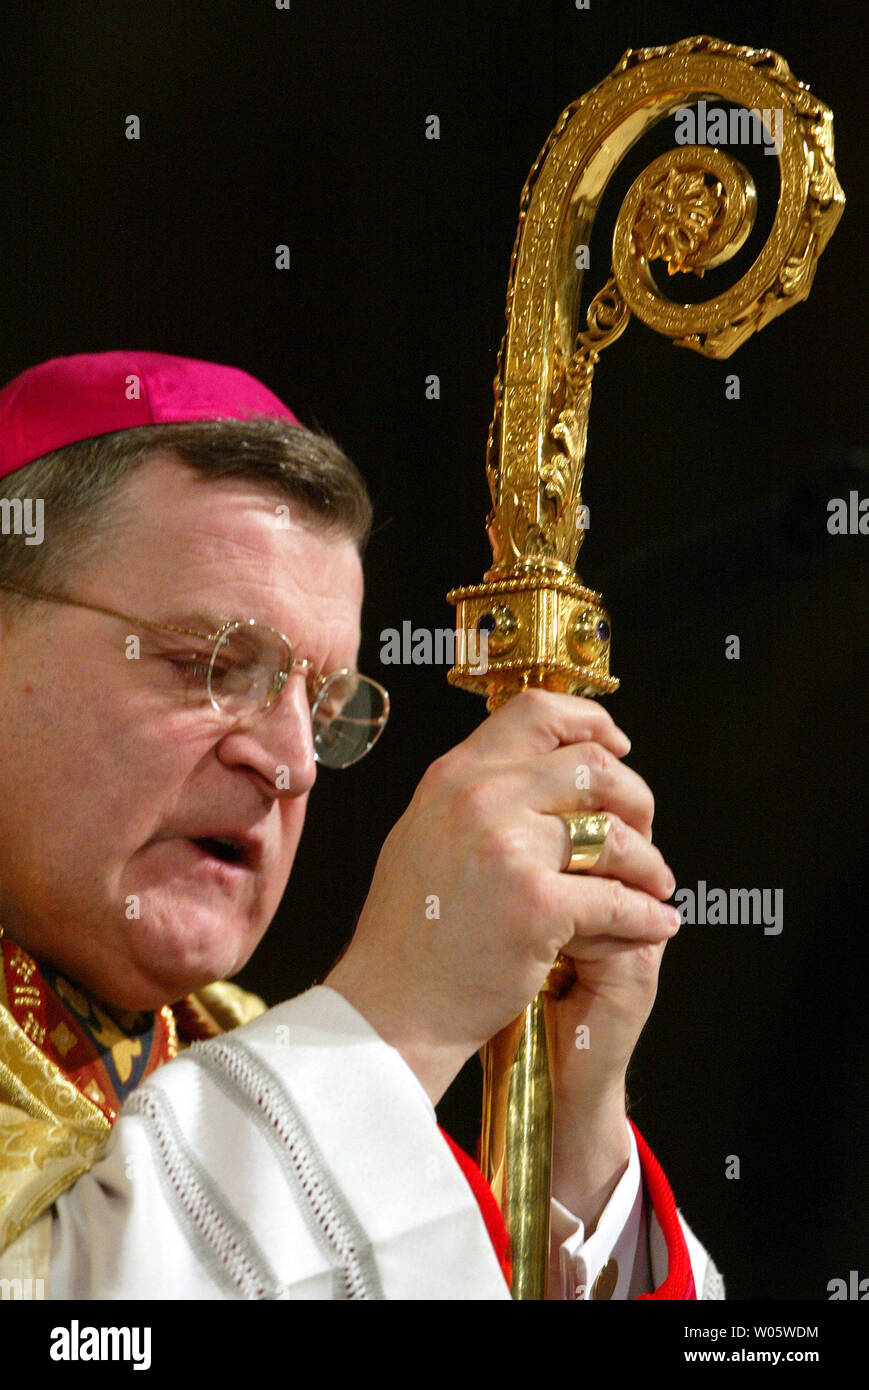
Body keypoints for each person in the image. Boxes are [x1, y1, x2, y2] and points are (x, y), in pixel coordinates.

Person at [0, 350, 721, 1300]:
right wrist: (398, 1019)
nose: (292, 763)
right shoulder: (322, 1080)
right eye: (207, 662)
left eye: (325, 702)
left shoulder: (248, 1058)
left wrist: (574, 1144)